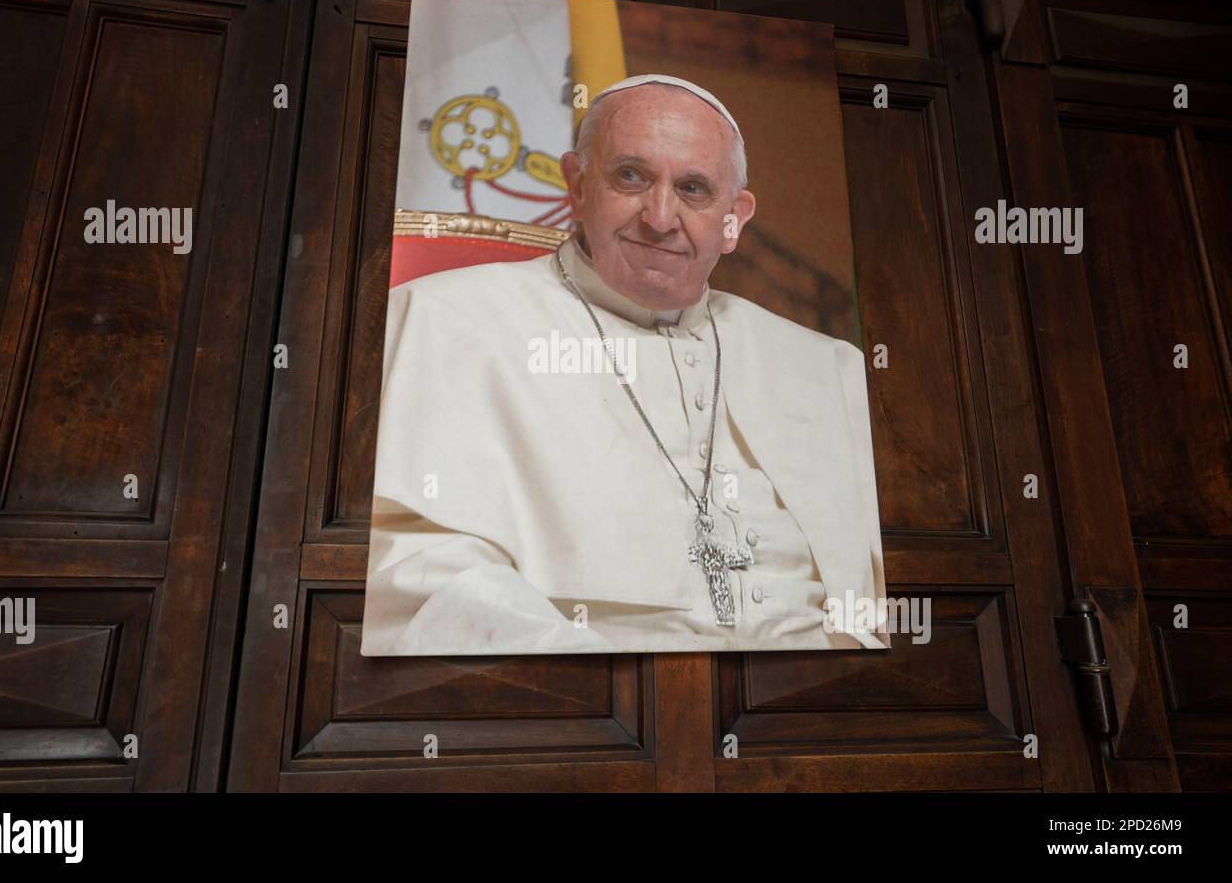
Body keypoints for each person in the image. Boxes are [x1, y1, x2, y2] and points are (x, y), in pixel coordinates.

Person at [360, 74, 889, 655]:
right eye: (631, 176)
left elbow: (877, 601)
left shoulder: (828, 368)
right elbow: (415, 580)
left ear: (734, 218)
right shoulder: (444, 322)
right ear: (578, 186)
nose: (660, 218)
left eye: (693, 189)